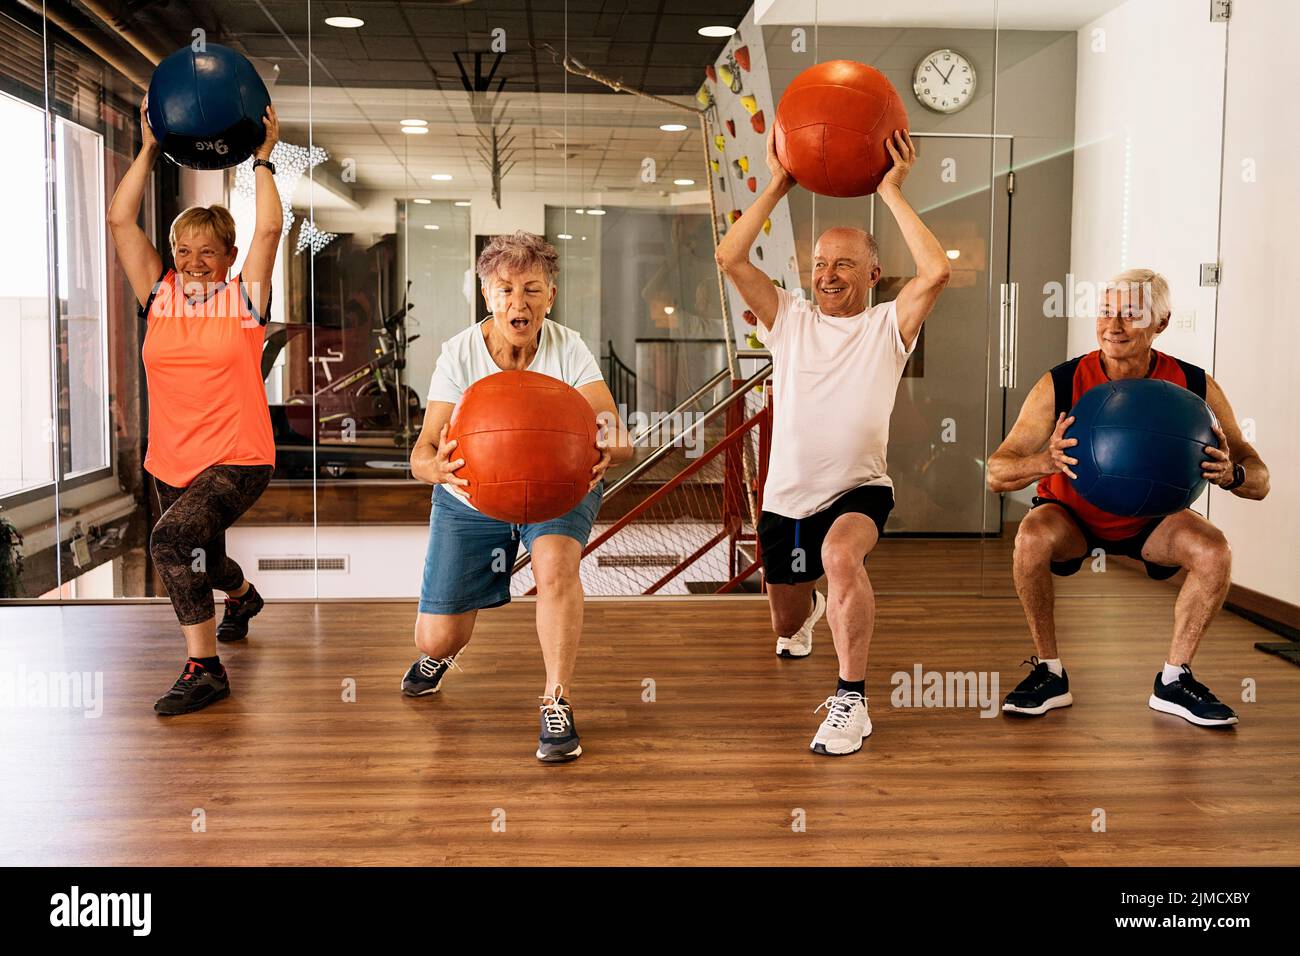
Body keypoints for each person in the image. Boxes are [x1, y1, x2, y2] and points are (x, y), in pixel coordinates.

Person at [716, 131, 951, 755]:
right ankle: (809, 615)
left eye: (844, 263)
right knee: (786, 621)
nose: (827, 274)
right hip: (785, 500)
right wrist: (777, 184)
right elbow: (731, 258)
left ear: (873, 274)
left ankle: (851, 700)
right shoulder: (789, 320)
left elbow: (937, 270)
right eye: (820, 263)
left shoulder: (887, 326)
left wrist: (890, 190)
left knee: (843, 558)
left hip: (858, 490)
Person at [987, 269, 1269, 727]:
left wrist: (1232, 473)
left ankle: (1175, 681)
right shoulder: (1061, 382)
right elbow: (997, 472)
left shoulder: (1193, 385)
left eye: (1130, 315)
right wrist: (1046, 460)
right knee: (1030, 538)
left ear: (1161, 322)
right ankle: (1049, 673)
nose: (1113, 326)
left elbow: (1260, 479)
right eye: (1105, 312)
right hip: (1071, 518)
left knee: (1214, 550)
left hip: (1154, 521)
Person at [402, 231, 632, 762]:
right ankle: (438, 658)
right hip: (470, 496)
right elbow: (423, 451)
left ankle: (557, 701)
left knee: (555, 567)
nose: (517, 302)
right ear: (487, 296)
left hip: (557, 487)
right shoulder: (459, 354)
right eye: (505, 289)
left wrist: (609, 449)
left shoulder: (567, 346)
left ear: (550, 297)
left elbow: (614, 430)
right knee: (437, 638)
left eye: (532, 289)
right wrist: (433, 469)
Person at [107, 98, 284, 715]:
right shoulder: (158, 296)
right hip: (169, 461)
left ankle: (204, 669)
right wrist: (151, 145)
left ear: (228, 258)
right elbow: (121, 221)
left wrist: (263, 162)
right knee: (203, 555)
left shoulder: (245, 303)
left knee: (170, 543)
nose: (191, 262)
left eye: (207, 251)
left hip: (239, 456)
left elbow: (268, 230)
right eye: (183, 250)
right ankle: (241, 597)